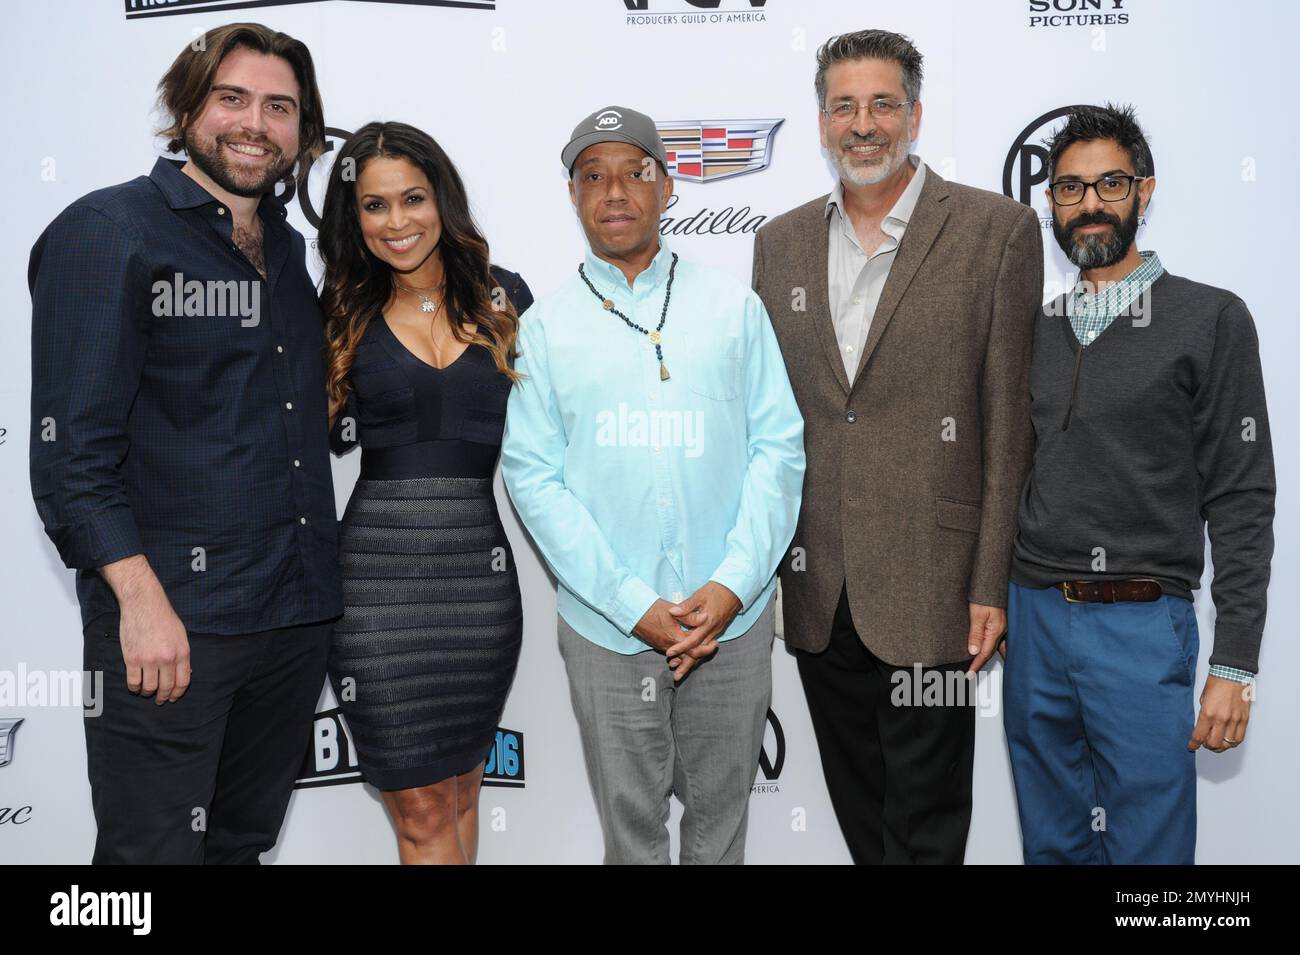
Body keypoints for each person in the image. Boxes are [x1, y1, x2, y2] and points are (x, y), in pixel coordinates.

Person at [28, 23, 339, 864]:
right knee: (148, 859)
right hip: (174, 626)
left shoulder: (284, 247)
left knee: (237, 846)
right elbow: (70, 451)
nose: (254, 123)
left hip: (293, 616)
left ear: (304, 133)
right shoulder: (109, 232)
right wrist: (140, 601)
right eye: (231, 98)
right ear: (185, 106)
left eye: (280, 108)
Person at [751, 29, 1043, 864]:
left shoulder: (999, 231)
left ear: (915, 114)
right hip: (818, 591)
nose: (863, 123)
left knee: (926, 828)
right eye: (844, 106)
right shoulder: (780, 244)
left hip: (938, 590)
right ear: (820, 123)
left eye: (882, 103)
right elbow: (777, 417)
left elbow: (1008, 423)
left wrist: (990, 581)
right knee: (865, 827)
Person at [500, 105, 805, 864]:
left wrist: (733, 584)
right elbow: (533, 477)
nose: (615, 191)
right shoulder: (545, 328)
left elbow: (780, 447)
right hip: (610, 631)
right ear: (572, 195)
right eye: (593, 175)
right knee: (632, 840)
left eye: (636, 172)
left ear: (667, 188)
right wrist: (634, 604)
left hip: (727, 626)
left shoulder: (733, 306)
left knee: (719, 833)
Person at [1005, 103, 1275, 864]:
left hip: (1141, 623)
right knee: (1052, 844)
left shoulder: (1210, 318)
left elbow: (1243, 496)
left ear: (1144, 193)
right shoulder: (1039, 328)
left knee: (1152, 856)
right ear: (1050, 201)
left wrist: (1234, 665)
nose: (1088, 204)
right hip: (1033, 618)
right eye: (1068, 188)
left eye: (1110, 183)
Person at [321, 122, 529, 865]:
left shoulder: (510, 299)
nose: (397, 221)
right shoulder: (337, 314)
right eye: (374, 206)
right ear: (355, 218)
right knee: (418, 809)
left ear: (442, 198)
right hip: (375, 592)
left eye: (413, 198)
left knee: (463, 793)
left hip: (480, 586)